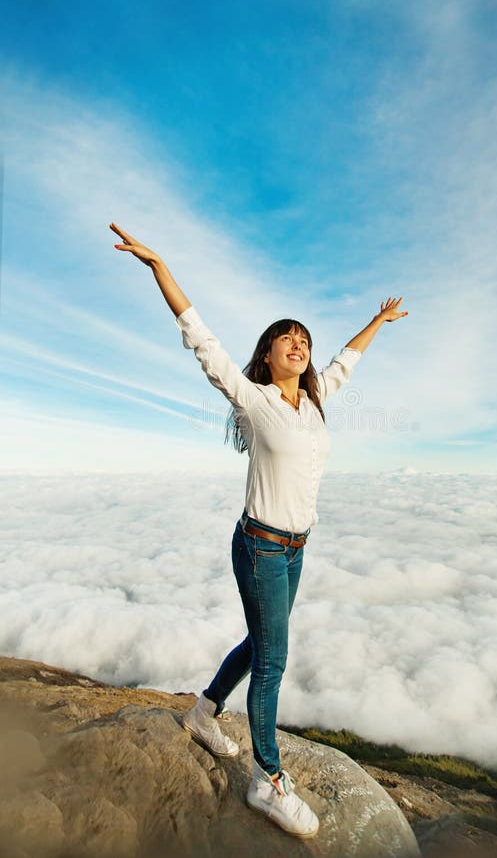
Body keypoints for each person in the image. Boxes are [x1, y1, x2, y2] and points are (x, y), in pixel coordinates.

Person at [109, 221, 408, 838]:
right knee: (273, 658)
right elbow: (200, 336)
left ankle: (202, 712)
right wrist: (160, 266)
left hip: (296, 550)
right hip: (261, 548)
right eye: (285, 338)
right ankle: (266, 779)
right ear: (267, 355)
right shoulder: (253, 399)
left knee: (258, 644)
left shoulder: (315, 401)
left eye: (304, 339)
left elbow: (346, 360)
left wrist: (378, 320)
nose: (298, 343)